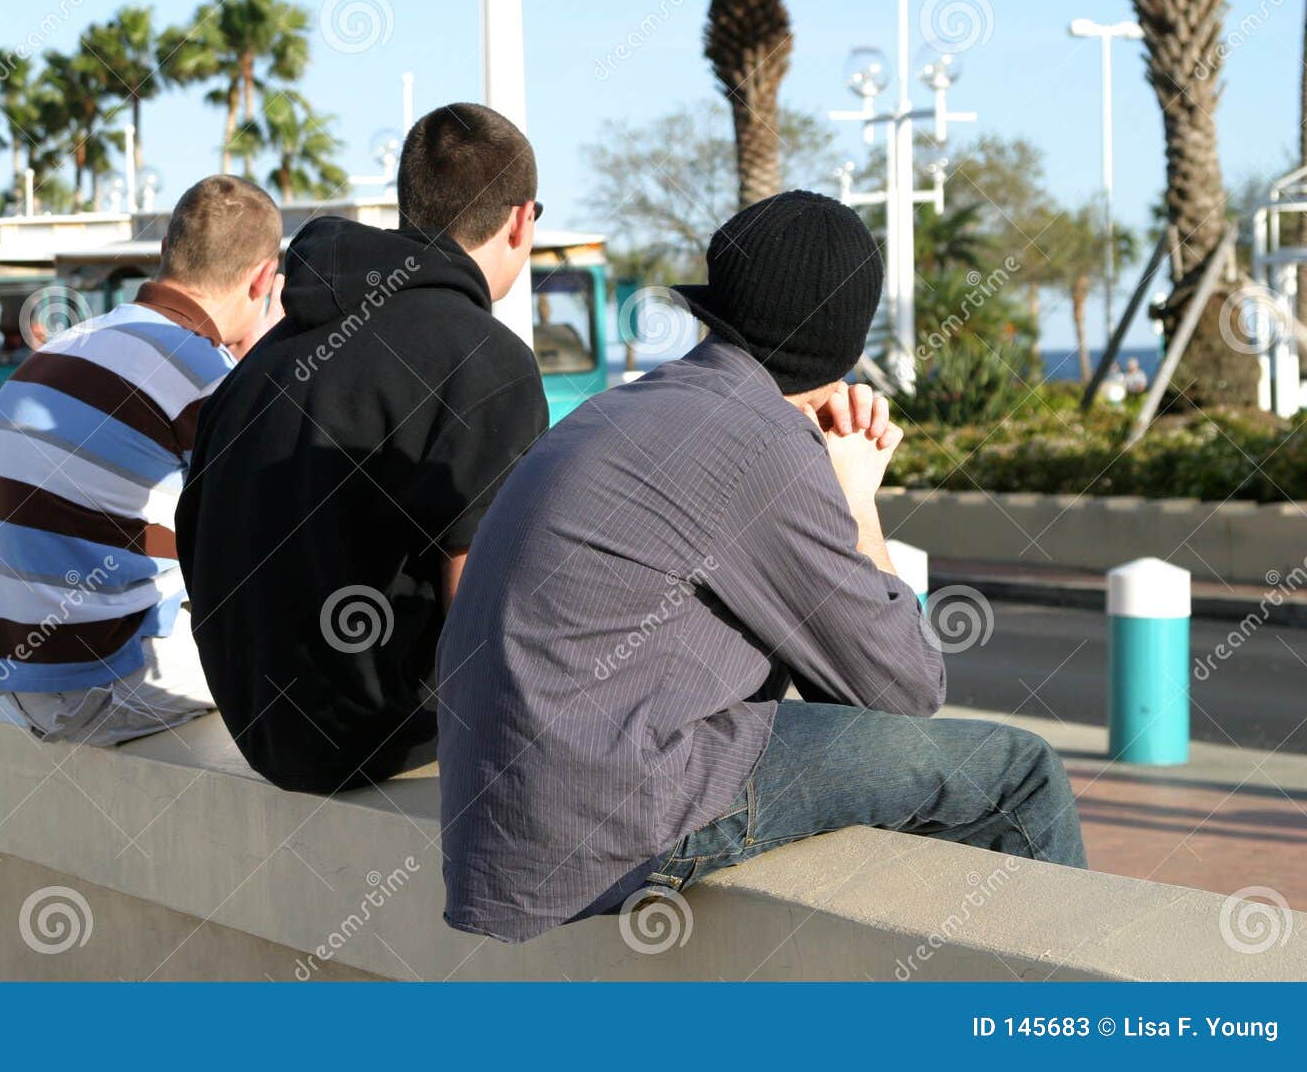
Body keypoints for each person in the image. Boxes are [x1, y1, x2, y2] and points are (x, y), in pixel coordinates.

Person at [437, 191, 1087, 944]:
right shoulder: (761, 445)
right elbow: (905, 688)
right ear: (847, 337)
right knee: (1017, 772)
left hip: (505, 824)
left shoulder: (626, 408)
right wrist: (856, 501)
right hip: (606, 821)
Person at [178, 103, 549, 794]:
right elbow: (489, 600)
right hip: (387, 740)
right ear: (522, 218)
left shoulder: (267, 355)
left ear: (412, 208)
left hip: (262, 733)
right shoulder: (488, 361)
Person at [0, 175, 282, 746]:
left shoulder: (69, 345)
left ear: (166, 254)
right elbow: (267, 544)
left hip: (16, 680)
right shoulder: (206, 376)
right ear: (263, 277)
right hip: (105, 681)